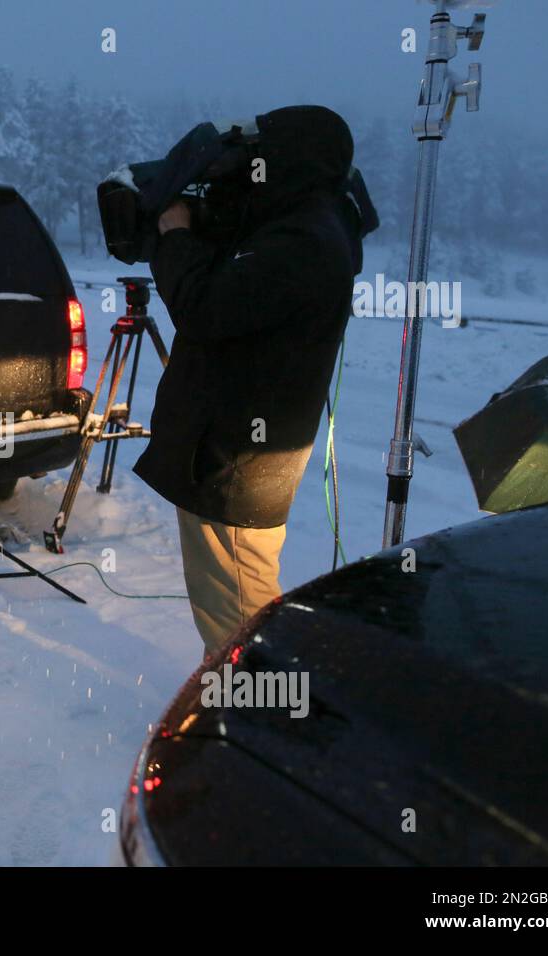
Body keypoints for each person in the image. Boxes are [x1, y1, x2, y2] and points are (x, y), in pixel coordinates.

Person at [133, 106, 365, 656]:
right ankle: (258, 710)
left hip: (237, 462)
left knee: (240, 623)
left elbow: (206, 308)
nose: (252, 160)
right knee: (239, 608)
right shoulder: (309, 222)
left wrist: (174, 235)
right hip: (236, 449)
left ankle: (262, 721)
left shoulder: (303, 240)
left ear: (293, 157)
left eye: (263, 149)